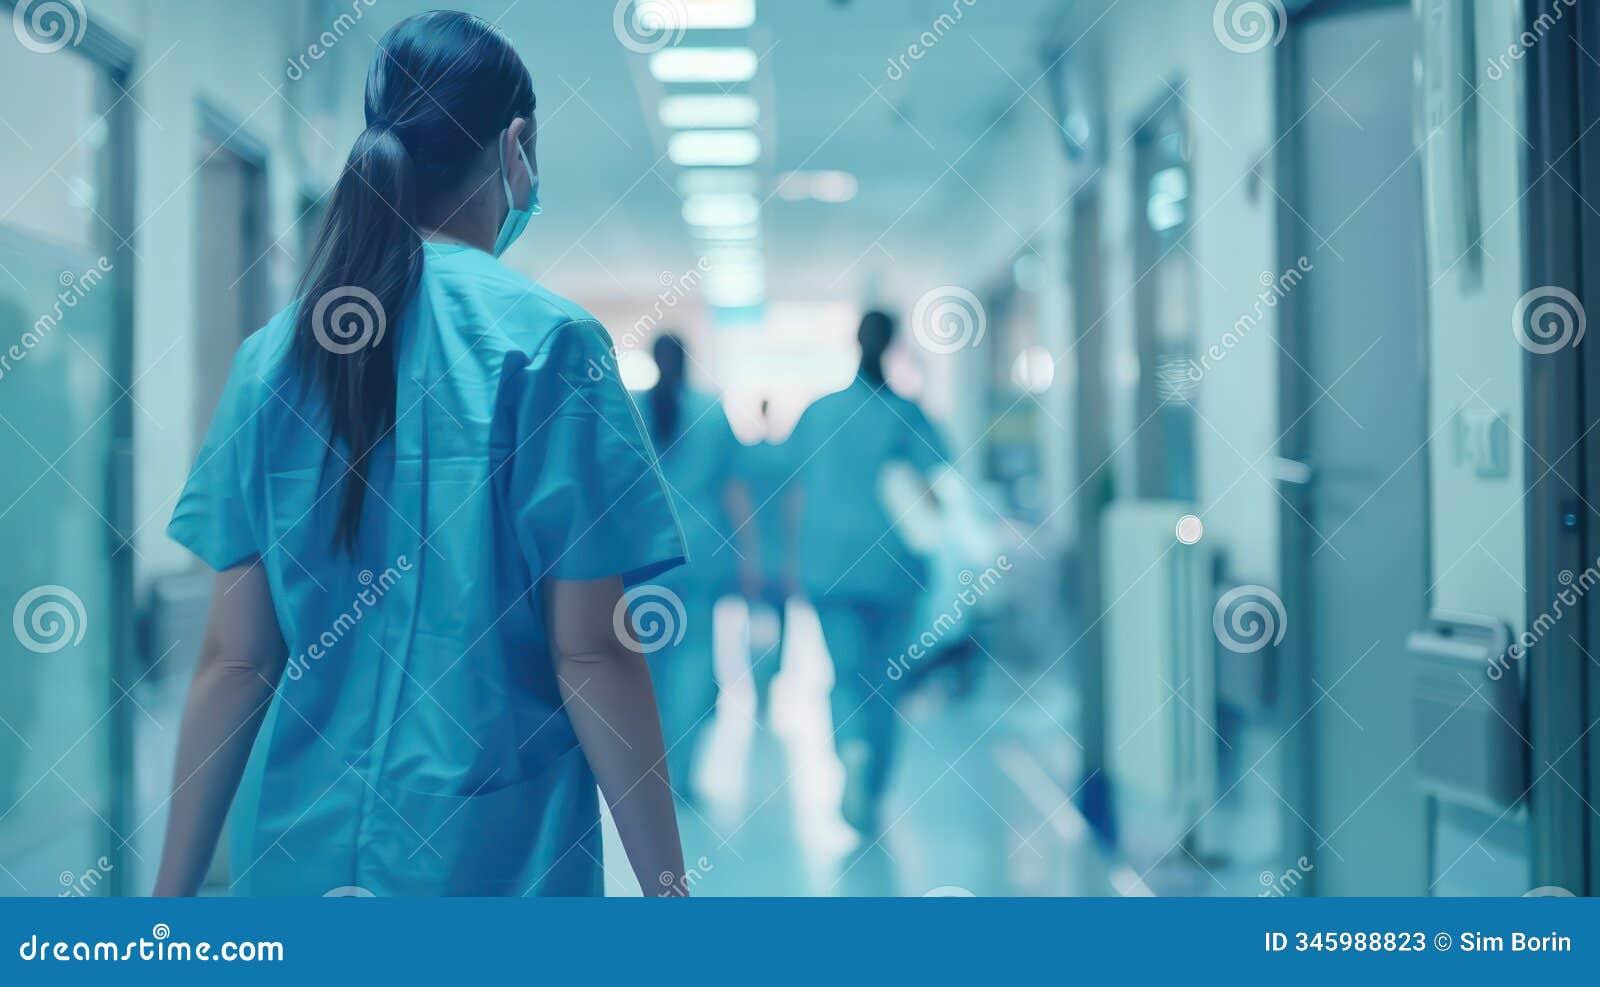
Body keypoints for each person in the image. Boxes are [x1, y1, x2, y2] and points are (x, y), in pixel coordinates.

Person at [155, 11, 688, 897]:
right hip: (493, 862)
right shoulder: (550, 346)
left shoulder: (274, 358)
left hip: (301, 861)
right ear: (515, 148)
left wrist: (164, 910)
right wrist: (671, 898)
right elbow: (592, 653)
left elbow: (236, 659)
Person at [784, 311, 948, 835]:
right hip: (892, 567)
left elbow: (794, 490)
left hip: (829, 565)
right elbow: (933, 492)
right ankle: (872, 791)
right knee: (885, 681)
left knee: (846, 675)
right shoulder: (907, 415)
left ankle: (849, 746)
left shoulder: (819, 413)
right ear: (894, 346)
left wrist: (791, 561)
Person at [633, 333, 749, 801]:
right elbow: (735, 491)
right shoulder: (712, 412)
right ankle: (681, 772)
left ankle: (652, 771)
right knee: (696, 660)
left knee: (647, 668)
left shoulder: (627, 410)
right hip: (700, 556)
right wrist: (750, 556)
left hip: (642, 559)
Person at [736, 399, 795, 715]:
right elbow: (793, 510)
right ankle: (769, 680)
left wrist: (747, 556)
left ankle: (759, 683)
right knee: (782, 622)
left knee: (753, 620)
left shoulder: (746, 459)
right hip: (780, 553)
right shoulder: (785, 458)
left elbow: (739, 509)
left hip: (752, 554)